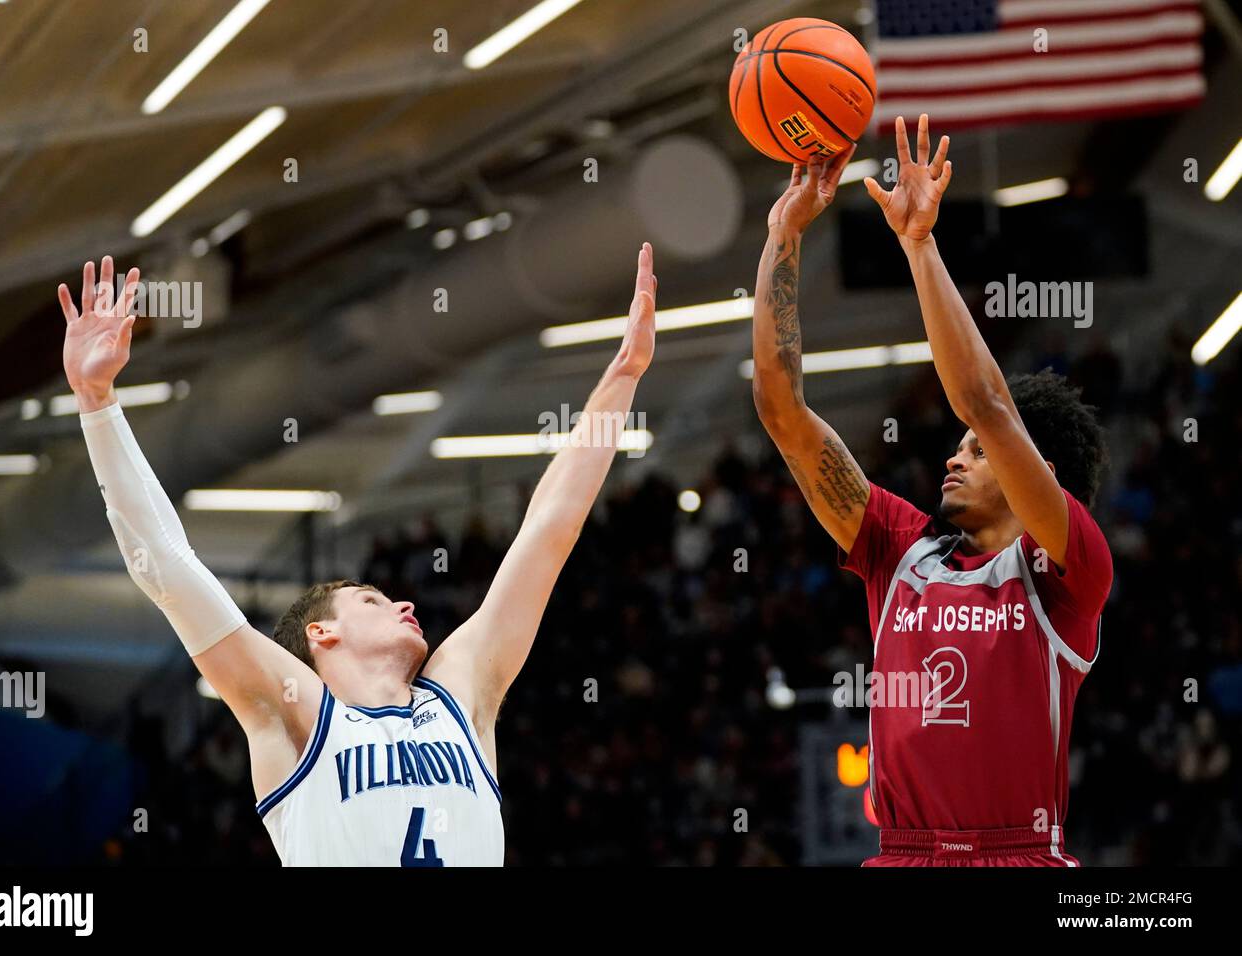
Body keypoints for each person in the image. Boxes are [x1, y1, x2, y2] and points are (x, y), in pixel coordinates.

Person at [58, 244, 659, 866]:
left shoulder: (460, 690)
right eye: (371, 600)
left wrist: (623, 376)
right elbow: (165, 565)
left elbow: (547, 532)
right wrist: (97, 402)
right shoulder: (294, 712)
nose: (403, 602)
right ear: (321, 634)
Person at [751, 115, 1111, 866]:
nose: (955, 458)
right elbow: (783, 414)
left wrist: (920, 244)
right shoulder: (899, 549)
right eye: (959, 448)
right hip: (901, 853)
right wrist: (784, 233)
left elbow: (986, 404)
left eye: (977, 454)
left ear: (1036, 471)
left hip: (1018, 854)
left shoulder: (1069, 573)